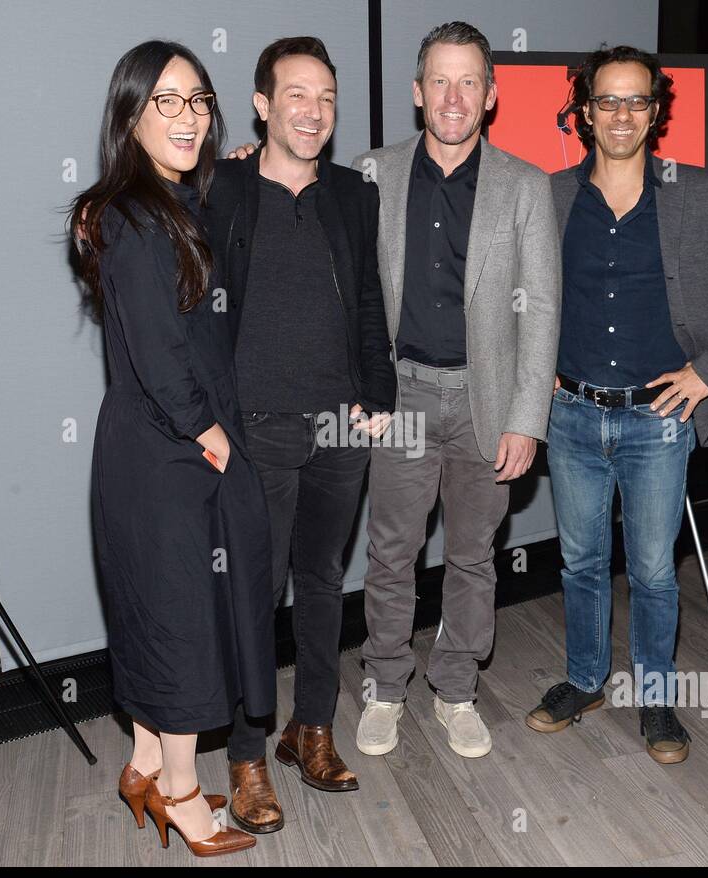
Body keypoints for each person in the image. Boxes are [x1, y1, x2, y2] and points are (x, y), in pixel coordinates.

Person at [526, 46, 708, 764]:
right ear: (584, 110)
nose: (621, 114)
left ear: (656, 111)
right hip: (571, 415)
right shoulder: (548, 195)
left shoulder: (699, 193)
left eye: (636, 101)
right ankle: (584, 680)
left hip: (659, 420)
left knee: (652, 570)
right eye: (607, 100)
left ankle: (658, 698)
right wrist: (533, 365)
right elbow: (513, 290)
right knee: (580, 563)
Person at [70, 39, 271, 856]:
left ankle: (147, 762)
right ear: (131, 114)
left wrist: (240, 161)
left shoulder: (162, 202)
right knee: (185, 626)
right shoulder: (127, 215)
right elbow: (158, 351)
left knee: (159, 616)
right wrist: (212, 434)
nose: (188, 118)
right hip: (166, 452)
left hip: (159, 446)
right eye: (167, 102)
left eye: (198, 102)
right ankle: (184, 797)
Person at [352, 22, 561, 759]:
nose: (454, 95)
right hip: (402, 398)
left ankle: (458, 688)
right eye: (439, 80)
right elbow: (347, 293)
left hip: (488, 401)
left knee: (473, 557)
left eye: (469, 80)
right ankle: (383, 686)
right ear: (417, 93)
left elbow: (542, 312)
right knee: (391, 554)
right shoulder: (370, 174)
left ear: (491, 95)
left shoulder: (527, 186)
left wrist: (526, 419)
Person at [207, 37, 395, 834]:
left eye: (325, 96)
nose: (313, 110)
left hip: (339, 422)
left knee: (322, 582)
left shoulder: (354, 193)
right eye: (296, 94)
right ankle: (245, 754)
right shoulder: (221, 187)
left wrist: (378, 387)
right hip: (255, 426)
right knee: (255, 589)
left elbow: (366, 299)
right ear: (262, 104)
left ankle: (309, 730)